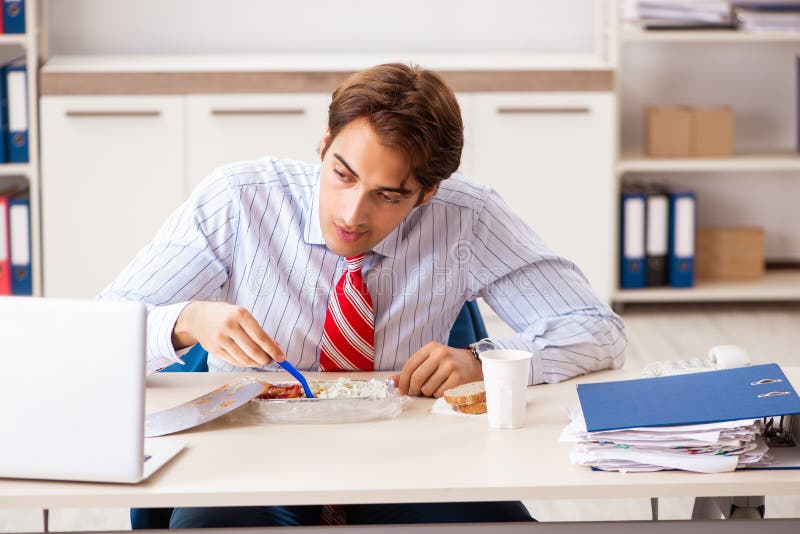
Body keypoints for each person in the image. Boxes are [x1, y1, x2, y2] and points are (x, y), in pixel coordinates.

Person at [100, 63, 626, 527]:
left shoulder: (467, 216)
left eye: (388, 195)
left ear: (427, 193)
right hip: (252, 461)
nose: (352, 215)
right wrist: (187, 321)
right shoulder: (239, 200)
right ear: (323, 145)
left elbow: (598, 330)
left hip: (412, 464)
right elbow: (100, 328)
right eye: (342, 175)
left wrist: (480, 362)